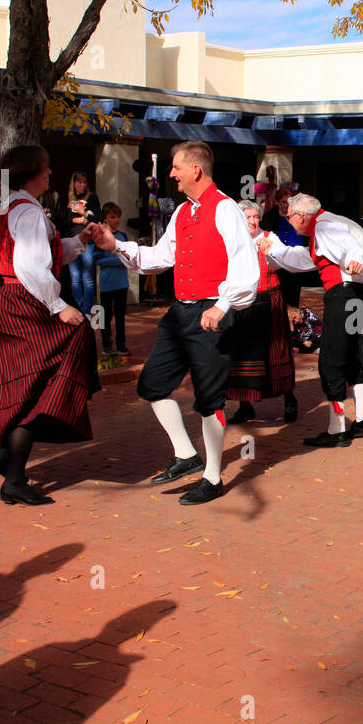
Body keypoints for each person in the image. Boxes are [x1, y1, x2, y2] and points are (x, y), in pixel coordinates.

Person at [93, 141, 259, 505]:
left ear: (195, 170)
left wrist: (223, 305)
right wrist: (116, 247)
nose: (171, 174)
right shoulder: (183, 212)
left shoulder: (225, 208)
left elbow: (246, 266)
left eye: (176, 168)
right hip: (181, 312)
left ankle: (213, 478)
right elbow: (160, 256)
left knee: (209, 398)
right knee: (152, 384)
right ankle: (186, 455)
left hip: (212, 312)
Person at [0, 145, 102, 506]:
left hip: (10, 301)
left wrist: (81, 240)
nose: (49, 174)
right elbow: (30, 267)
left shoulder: (16, 205)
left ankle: (5, 456)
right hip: (23, 304)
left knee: (27, 386)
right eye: (45, 169)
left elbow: (44, 255)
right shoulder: (26, 210)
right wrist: (59, 307)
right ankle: (13, 477)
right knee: (36, 388)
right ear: (30, 172)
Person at [258, 193, 363, 446]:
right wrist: (275, 251)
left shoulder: (324, 226)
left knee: (331, 359)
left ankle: (337, 429)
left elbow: (350, 248)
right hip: (356, 296)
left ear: (301, 216)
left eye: (289, 217)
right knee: (349, 353)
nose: (289, 222)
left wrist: (356, 260)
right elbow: (304, 260)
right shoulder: (327, 224)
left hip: (343, 295)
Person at [226, 200, 297, 424]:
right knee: (242, 355)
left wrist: (271, 252)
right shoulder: (232, 240)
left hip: (270, 298)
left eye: (256, 217)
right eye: (248, 217)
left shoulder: (270, 237)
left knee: (277, 350)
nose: (253, 221)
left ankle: (289, 399)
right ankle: (245, 405)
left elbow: (286, 261)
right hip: (243, 303)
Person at [58, 172, 101, 315]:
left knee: (87, 278)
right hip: (72, 240)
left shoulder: (92, 198)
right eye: (80, 182)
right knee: (75, 278)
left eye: (85, 182)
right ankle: (77, 309)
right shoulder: (67, 198)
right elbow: (61, 220)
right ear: (74, 183)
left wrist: (85, 214)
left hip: (88, 241)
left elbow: (98, 218)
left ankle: (87, 311)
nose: (83, 185)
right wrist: (73, 220)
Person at [92, 202, 130, 355]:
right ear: (105, 219)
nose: (117, 220)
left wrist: (123, 259)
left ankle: (121, 344)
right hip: (107, 283)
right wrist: (118, 259)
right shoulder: (100, 237)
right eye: (112, 217)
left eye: (118, 216)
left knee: (120, 316)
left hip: (122, 283)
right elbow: (96, 260)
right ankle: (106, 344)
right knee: (105, 315)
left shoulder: (123, 236)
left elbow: (128, 256)